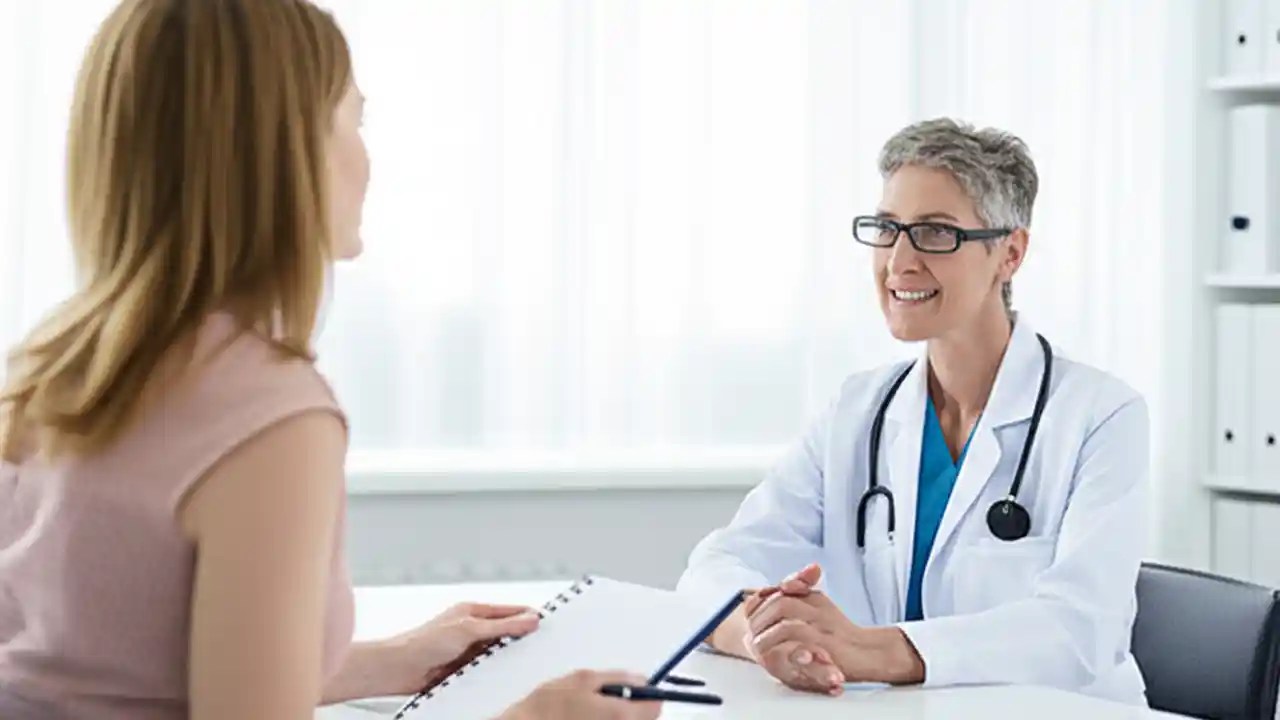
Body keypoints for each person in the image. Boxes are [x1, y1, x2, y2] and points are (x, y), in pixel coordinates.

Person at [0, 1, 658, 719]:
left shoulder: (54, 371)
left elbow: (109, 666)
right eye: (354, 119)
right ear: (286, 153)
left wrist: (394, 661)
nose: (367, 160)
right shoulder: (270, 416)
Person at [677, 118, 1149, 705]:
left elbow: (1081, 629)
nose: (898, 260)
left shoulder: (1101, 416)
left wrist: (873, 650)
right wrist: (762, 635)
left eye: (934, 233)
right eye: (887, 229)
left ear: (1010, 254)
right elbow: (716, 566)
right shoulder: (859, 411)